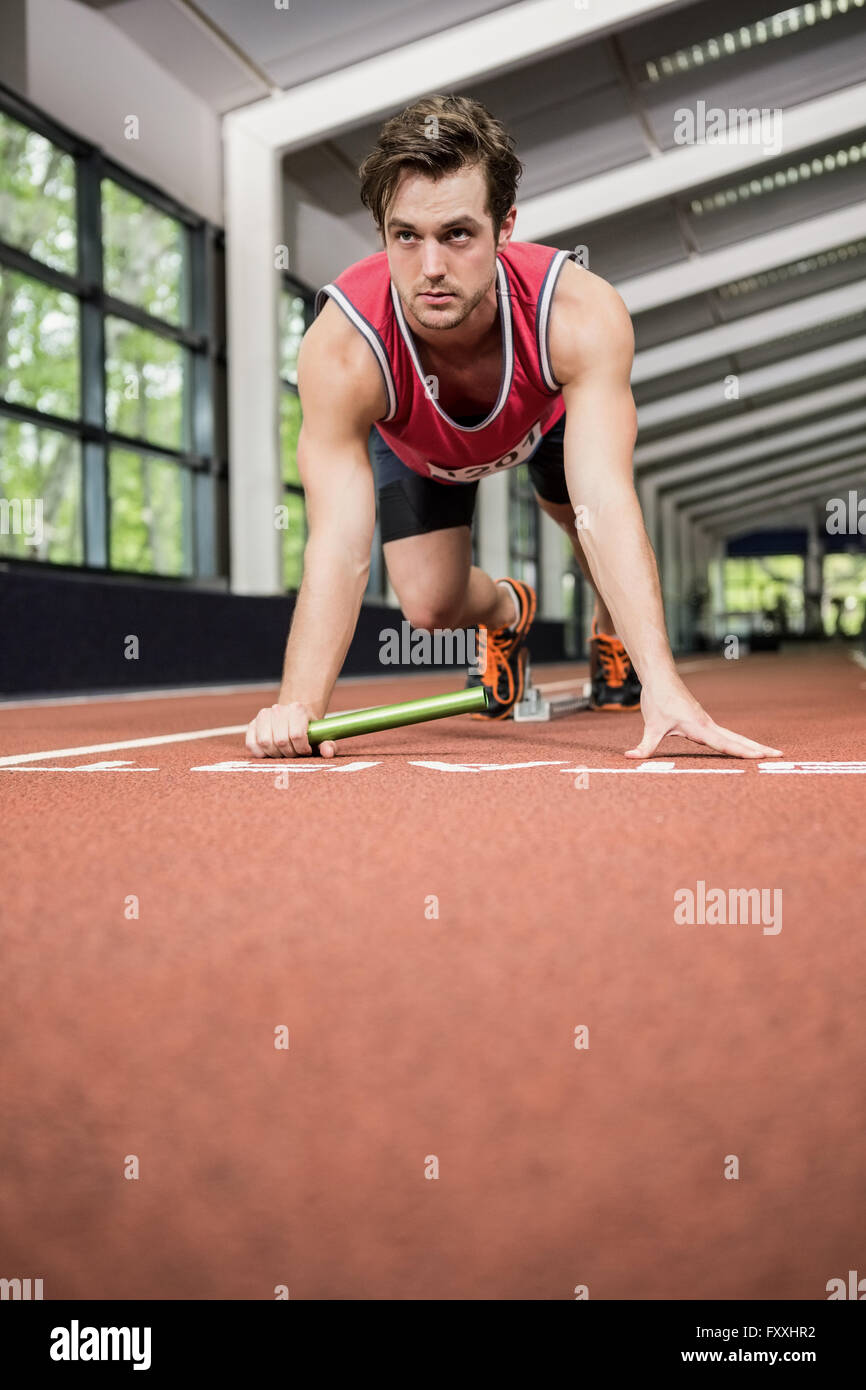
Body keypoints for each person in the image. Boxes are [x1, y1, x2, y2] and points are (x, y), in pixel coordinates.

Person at [246, 94, 781, 762]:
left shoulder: (577, 314)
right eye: (405, 236)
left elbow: (604, 504)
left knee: (580, 523)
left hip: (543, 418)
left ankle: (611, 631)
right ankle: (508, 612)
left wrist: (663, 683)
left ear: (506, 230)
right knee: (430, 609)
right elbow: (340, 543)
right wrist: (300, 705)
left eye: (458, 235)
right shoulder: (345, 351)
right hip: (423, 450)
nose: (431, 267)